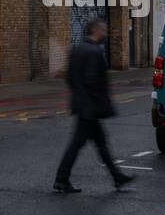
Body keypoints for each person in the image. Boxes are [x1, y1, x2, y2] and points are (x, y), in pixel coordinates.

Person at [53, 19, 134, 193]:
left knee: (100, 144)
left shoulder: (76, 49)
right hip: (90, 109)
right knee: (79, 145)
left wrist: (78, 96)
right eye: (104, 30)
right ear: (96, 31)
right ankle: (61, 179)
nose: (106, 34)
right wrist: (99, 104)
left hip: (83, 106)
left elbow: (69, 77)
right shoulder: (94, 51)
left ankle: (117, 177)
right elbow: (92, 81)